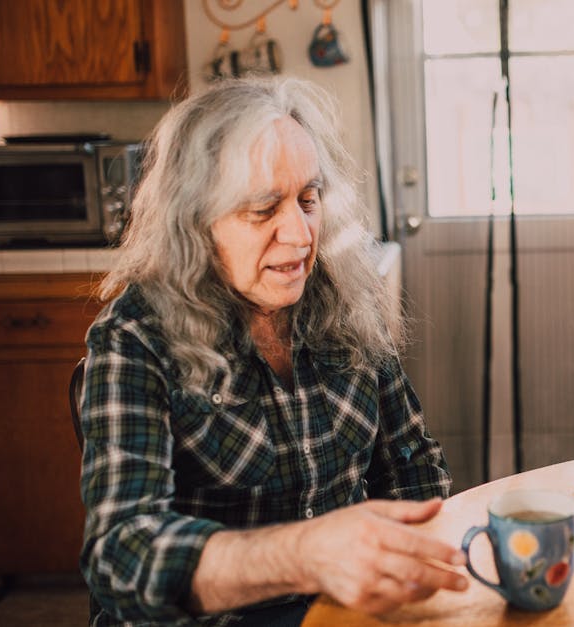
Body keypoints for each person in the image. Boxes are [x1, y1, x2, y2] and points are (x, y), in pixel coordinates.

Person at [79, 76, 467, 626]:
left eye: (308, 201)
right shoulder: (136, 337)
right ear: (195, 221)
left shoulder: (345, 300)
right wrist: (305, 556)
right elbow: (121, 554)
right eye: (263, 210)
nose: (301, 234)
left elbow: (411, 466)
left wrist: (415, 575)